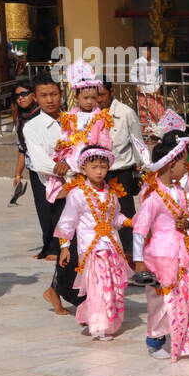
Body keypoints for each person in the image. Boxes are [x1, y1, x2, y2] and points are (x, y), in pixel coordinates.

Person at [131, 118, 189, 361]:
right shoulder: (153, 197)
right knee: (162, 300)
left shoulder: (181, 190)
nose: (186, 167)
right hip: (163, 254)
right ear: (171, 165)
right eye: (182, 162)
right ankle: (155, 340)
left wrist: (188, 223)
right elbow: (139, 230)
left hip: (186, 251)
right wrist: (139, 262)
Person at [53, 145, 133, 340]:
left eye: (103, 167)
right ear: (83, 168)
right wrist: (64, 247)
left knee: (114, 285)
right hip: (91, 247)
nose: (99, 171)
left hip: (112, 246)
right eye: (94, 167)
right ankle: (99, 326)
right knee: (98, 286)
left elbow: (115, 218)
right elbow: (67, 221)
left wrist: (130, 221)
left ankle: (102, 318)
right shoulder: (77, 193)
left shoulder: (112, 192)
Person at [23, 78, 79, 313]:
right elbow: (40, 162)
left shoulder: (74, 120)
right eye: (44, 95)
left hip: (83, 187)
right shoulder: (31, 127)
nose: (50, 99)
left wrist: (74, 163)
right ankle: (70, 293)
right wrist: (69, 168)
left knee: (83, 242)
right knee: (67, 243)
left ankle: (56, 289)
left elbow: (85, 149)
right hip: (59, 192)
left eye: (54, 94)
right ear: (36, 97)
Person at [45, 61, 112, 204]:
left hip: (90, 149)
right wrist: (62, 143)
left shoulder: (101, 117)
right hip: (71, 148)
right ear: (76, 97)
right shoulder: (70, 115)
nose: (89, 102)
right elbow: (66, 133)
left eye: (93, 98)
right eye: (85, 98)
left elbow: (104, 138)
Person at [95, 80, 140, 253]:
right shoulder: (90, 115)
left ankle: (131, 251)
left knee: (126, 213)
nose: (98, 100)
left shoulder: (126, 113)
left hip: (122, 173)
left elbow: (137, 143)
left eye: (102, 95)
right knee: (98, 213)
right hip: (97, 173)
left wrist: (140, 171)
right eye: (95, 96)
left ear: (111, 91)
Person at [10, 84, 39, 216]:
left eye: (24, 94)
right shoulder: (20, 120)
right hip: (34, 170)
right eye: (17, 96)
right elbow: (22, 149)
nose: (20, 98)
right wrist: (17, 175)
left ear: (33, 95)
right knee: (43, 211)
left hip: (53, 169)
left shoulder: (43, 114)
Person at [131, 42, 165, 133]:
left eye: (147, 50)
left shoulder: (157, 61)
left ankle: (157, 133)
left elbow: (160, 75)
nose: (145, 52)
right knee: (144, 114)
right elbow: (133, 75)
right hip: (143, 92)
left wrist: (158, 88)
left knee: (157, 113)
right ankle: (145, 133)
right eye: (143, 50)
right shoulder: (138, 62)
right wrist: (138, 85)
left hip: (154, 91)